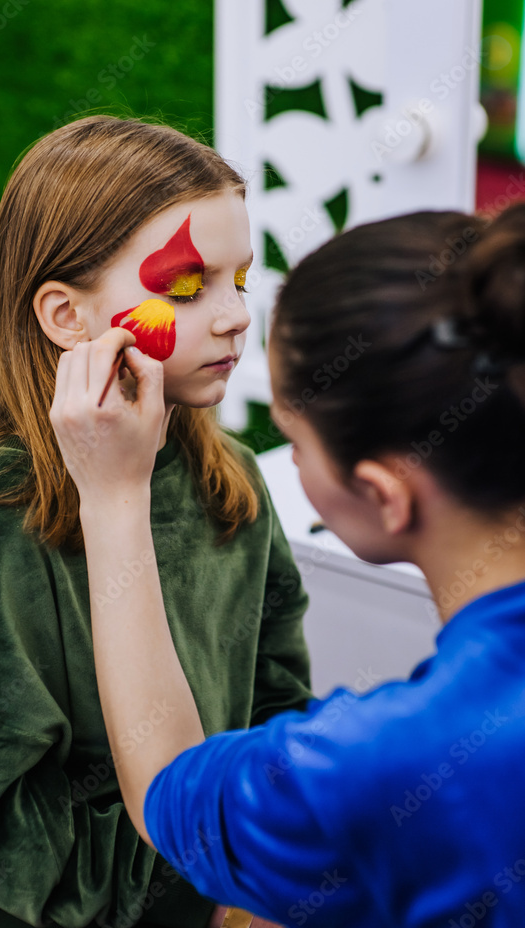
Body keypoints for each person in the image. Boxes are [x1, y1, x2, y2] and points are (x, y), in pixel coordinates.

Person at [49, 203, 525, 928]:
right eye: (185, 285)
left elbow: (168, 794)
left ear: (380, 493)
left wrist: (113, 498)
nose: (233, 318)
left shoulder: (391, 765)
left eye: (295, 440)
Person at [0, 115, 313, 928]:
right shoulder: (1, 509)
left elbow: (279, 702)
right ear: (66, 316)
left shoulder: (228, 477)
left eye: (240, 279)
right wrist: (212, 894)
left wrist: (269, 855)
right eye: (189, 286)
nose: (235, 315)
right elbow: (8, 829)